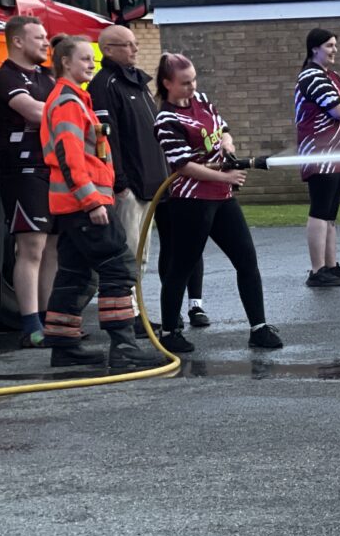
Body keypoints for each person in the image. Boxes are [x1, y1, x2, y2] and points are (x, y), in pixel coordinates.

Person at [39, 35, 166, 371]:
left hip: (73, 206)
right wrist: (92, 201)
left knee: (76, 274)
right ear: (65, 62)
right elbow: (69, 157)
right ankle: (124, 347)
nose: (91, 64)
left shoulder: (74, 99)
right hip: (85, 205)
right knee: (118, 267)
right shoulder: (67, 102)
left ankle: (64, 346)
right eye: (84, 59)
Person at [151, 53, 283, 353]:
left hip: (222, 200)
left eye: (194, 80)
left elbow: (222, 129)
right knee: (180, 267)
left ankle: (259, 327)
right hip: (191, 201)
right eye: (184, 83)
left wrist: (227, 143)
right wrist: (225, 177)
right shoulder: (166, 119)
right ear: (167, 83)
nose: (191, 87)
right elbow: (183, 165)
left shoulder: (202, 100)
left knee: (247, 260)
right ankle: (170, 331)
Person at [89, 24, 207, 327]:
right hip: (132, 187)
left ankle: (137, 312)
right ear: (108, 49)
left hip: (153, 186)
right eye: (127, 44)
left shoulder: (137, 84)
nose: (135, 49)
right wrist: (120, 183)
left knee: (142, 256)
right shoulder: (106, 85)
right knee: (129, 254)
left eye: (135, 43)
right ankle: (127, 317)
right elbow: (108, 139)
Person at [0, 15, 57, 347]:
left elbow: (60, 107)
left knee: (53, 249)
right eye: (39, 38)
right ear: (17, 41)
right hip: (23, 172)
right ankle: (30, 326)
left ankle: (49, 320)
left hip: (53, 170)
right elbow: (35, 111)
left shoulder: (47, 76)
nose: (46, 43)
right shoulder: (5, 78)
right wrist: (66, 112)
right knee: (31, 248)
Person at [295, 28, 340, 287]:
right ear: (314, 49)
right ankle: (316, 271)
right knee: (320, 209)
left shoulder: (333, 77)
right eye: (329, 46)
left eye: (336, 45)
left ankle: (330, 265)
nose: (335, 49)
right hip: (319, 151)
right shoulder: (312, 77)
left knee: (331, 213)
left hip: (338, 152)